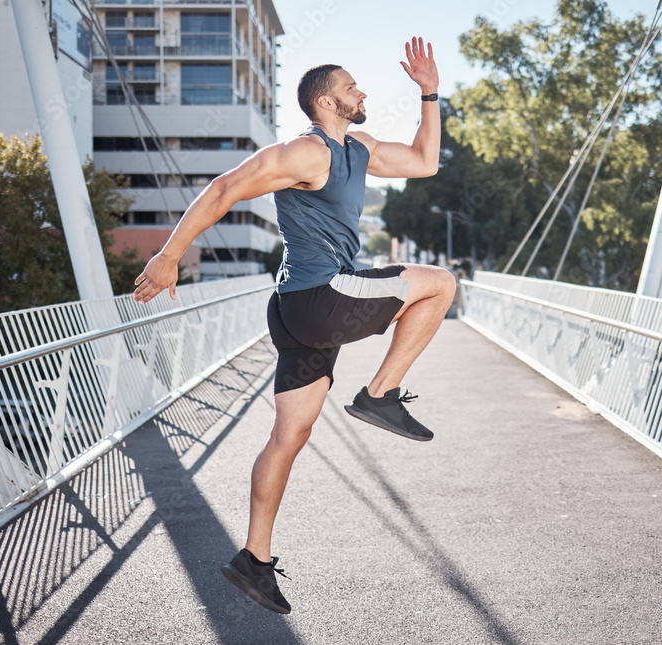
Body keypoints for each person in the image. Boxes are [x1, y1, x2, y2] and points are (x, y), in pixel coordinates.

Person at [132, 37, 454, 614]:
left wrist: (429, 92)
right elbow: (225, 188)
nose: (362, 93)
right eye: (352, 88)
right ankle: (378, 395)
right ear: (326, 102)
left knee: (290, 436)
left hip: (296, 313)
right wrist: (169, 254)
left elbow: (425, 161)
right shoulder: (307, 153)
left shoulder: (357, 147)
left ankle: (253, 561)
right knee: (440, 283)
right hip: (319, 296)